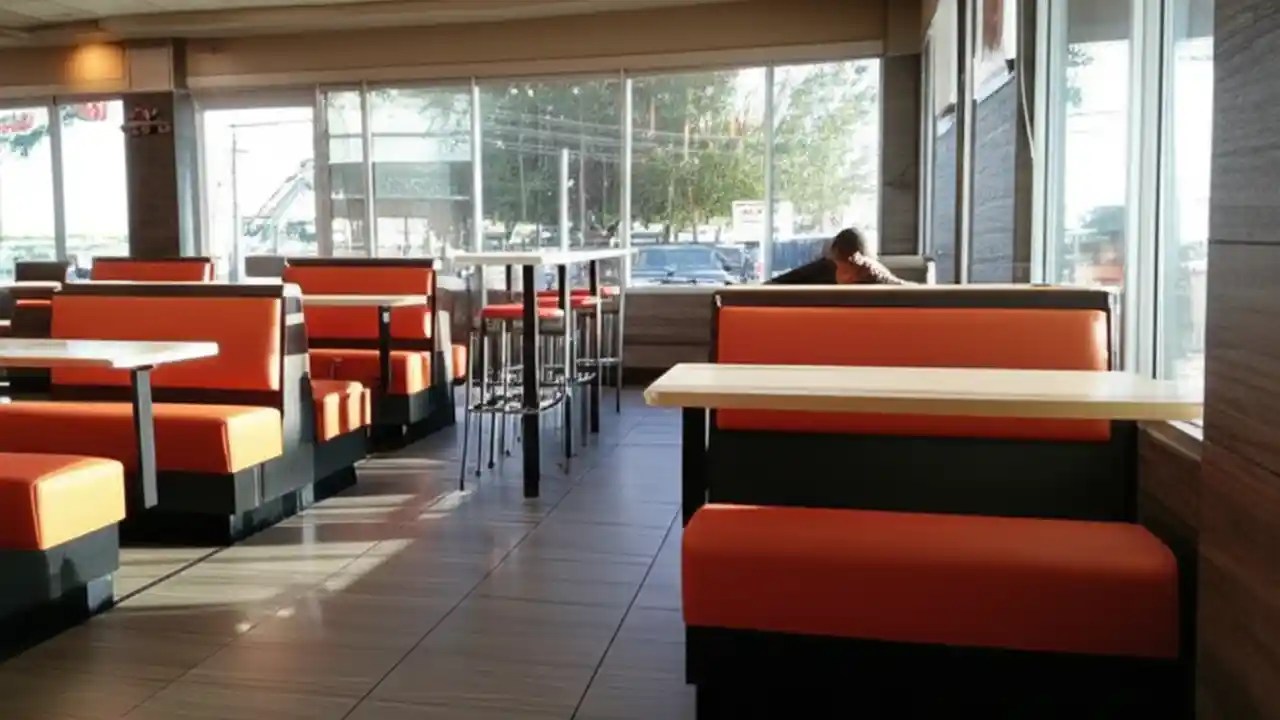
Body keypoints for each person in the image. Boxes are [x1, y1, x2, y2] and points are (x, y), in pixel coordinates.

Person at [769, 228, 910, 285]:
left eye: (855, 271)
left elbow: (908, 290)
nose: (850, 277)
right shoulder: (825, 268)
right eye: (844, 269)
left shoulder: (875, 274)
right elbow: (771, 288)